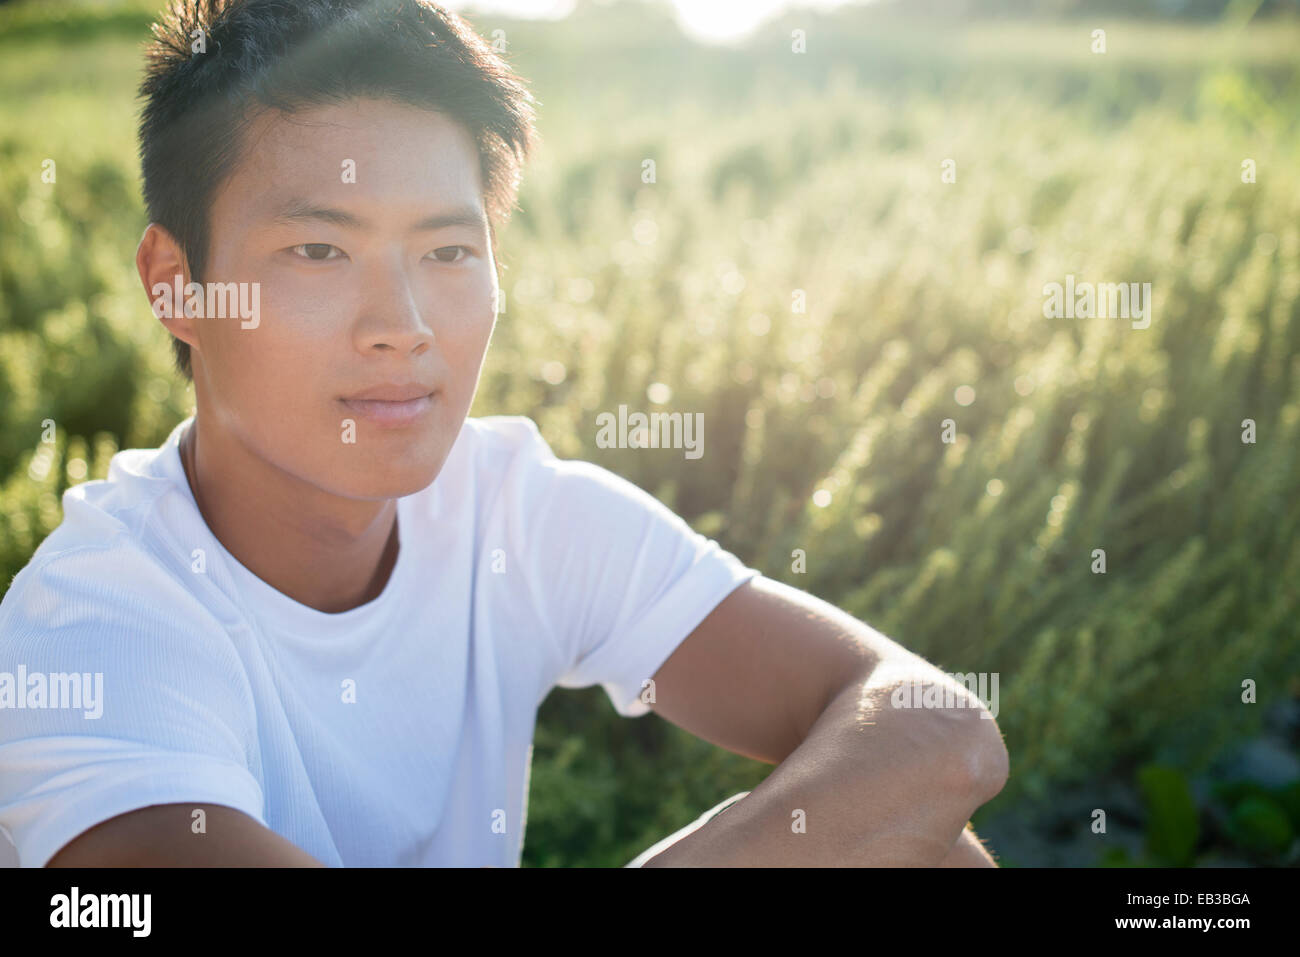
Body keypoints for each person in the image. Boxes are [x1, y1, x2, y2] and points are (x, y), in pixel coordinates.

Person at [0, 0, 1007, 868]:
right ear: (177, 284)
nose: (402, 323)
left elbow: (935, 734)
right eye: (317, 249)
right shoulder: (101, 626)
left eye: (446, 249)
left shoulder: (512, 511)